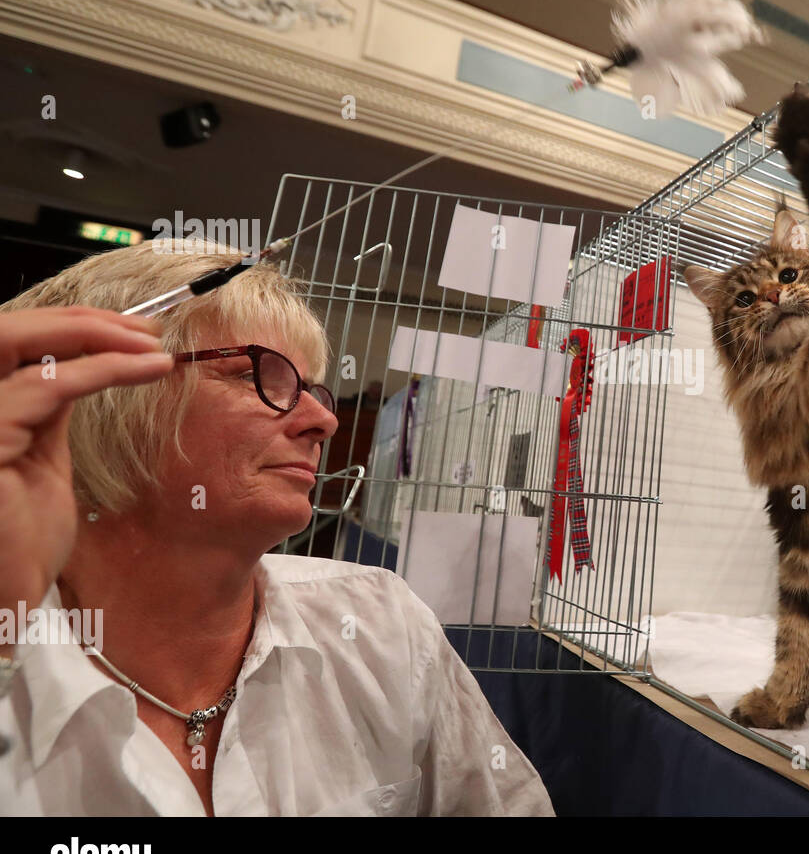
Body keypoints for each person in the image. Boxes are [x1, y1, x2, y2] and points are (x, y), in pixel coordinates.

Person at [0, 239, 554, 816]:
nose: (324, 420)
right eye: (258, 376)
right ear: (98, 397)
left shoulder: (380, 627)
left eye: (313, 388)